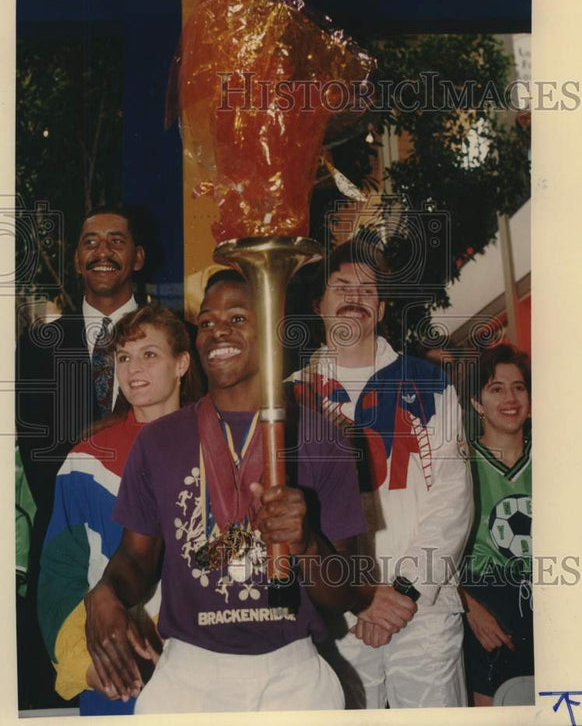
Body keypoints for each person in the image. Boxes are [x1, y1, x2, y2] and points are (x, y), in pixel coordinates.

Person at [83, 270, 373, 713]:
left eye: (237, 318)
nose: (218, 330)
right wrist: (105, 593)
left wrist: (307, 543)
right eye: (207, 322)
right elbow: (136, 560)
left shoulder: (322, 440)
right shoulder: (159, 441)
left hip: (293, 673)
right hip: (186, 675)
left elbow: (345, 593)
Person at [287, 239, 474, 709]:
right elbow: (291, 515)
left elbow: (452, 500)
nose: (354, 297)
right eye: (341, 286)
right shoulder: (291, 396)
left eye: (367, 289)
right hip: (334, 611)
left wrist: (403, 591)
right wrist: (358, 596)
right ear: (318, 304)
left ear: (383, 307)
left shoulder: (429, 383)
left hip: (422, 611)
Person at [37, 304, 199, 715]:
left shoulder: (219, 447)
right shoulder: (85, 461)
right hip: (120, 674)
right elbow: (59, 577)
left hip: (209, 668)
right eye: (123, 357)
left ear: (181, 363)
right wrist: (89, 667)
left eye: (150, 354)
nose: (133, 369)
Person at [15, 205, 147, 709]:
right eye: (91, 242)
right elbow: (37, 454)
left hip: (153, 546)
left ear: (137, 257)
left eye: (116, 240)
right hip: (66, 545)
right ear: (76, 260)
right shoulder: (35, 347)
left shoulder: (173, 339)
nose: (102, 251)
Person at [460, 343, 533, 706]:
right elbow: (437, 552)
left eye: (519, 387)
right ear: (477, 403)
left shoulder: (559, 457)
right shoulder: (459, 464)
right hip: (486, 607)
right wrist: (468, 608)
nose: (510, 398)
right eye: (496, 388)